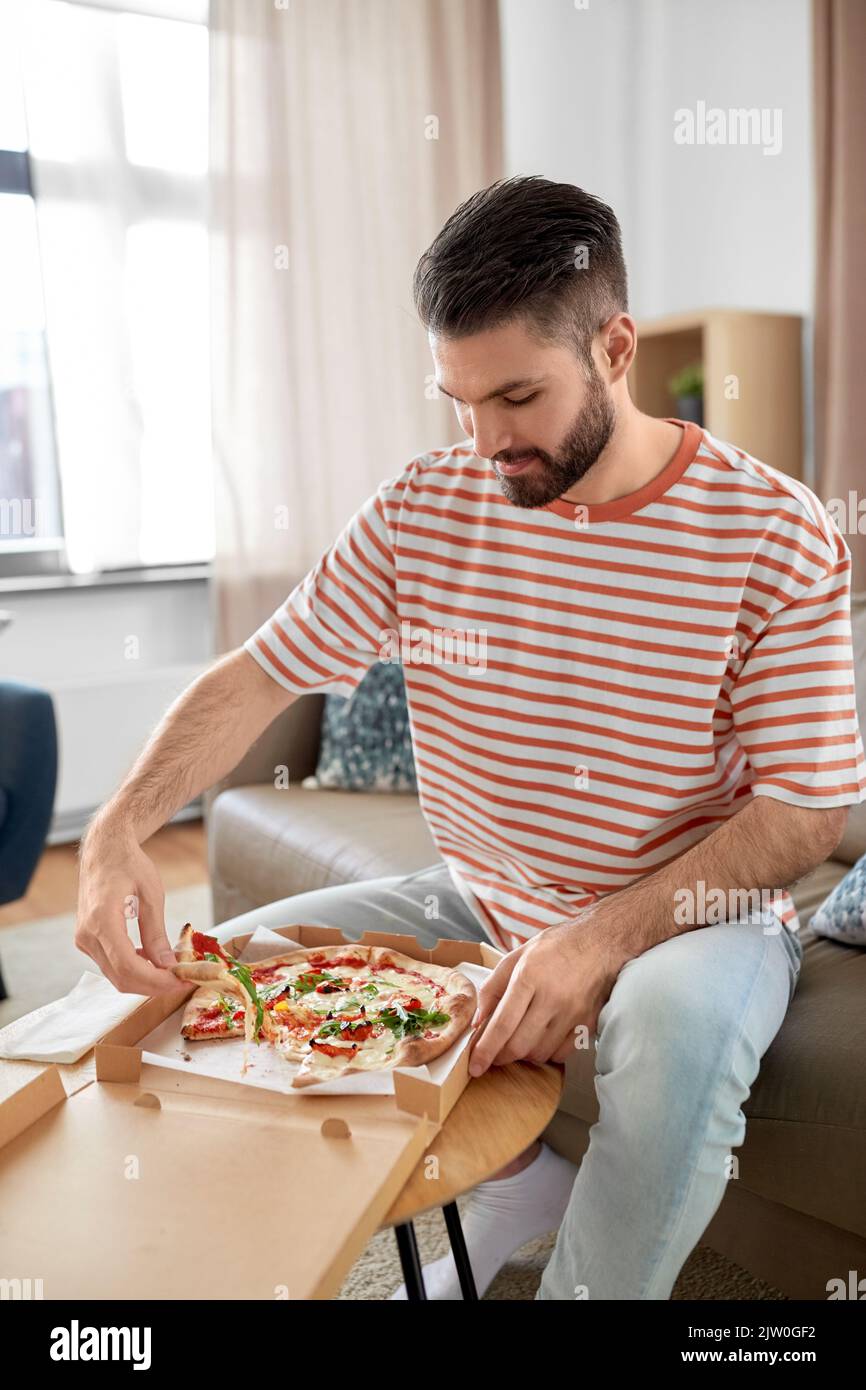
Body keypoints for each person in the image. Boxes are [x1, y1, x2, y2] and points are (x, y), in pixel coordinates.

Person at [75, 176, 866, 1300]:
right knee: (214, 985)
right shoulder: (423, 507)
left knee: (668, 1029)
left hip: (691, 920)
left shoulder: (770, 531)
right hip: (479, 897)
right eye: (457, 399)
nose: (486, 441)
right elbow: (258, 675)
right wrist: (117, 828)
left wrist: (594, 943)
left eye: (516, 396)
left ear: (615, 347)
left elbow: (805, 806)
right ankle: (511, 1191)